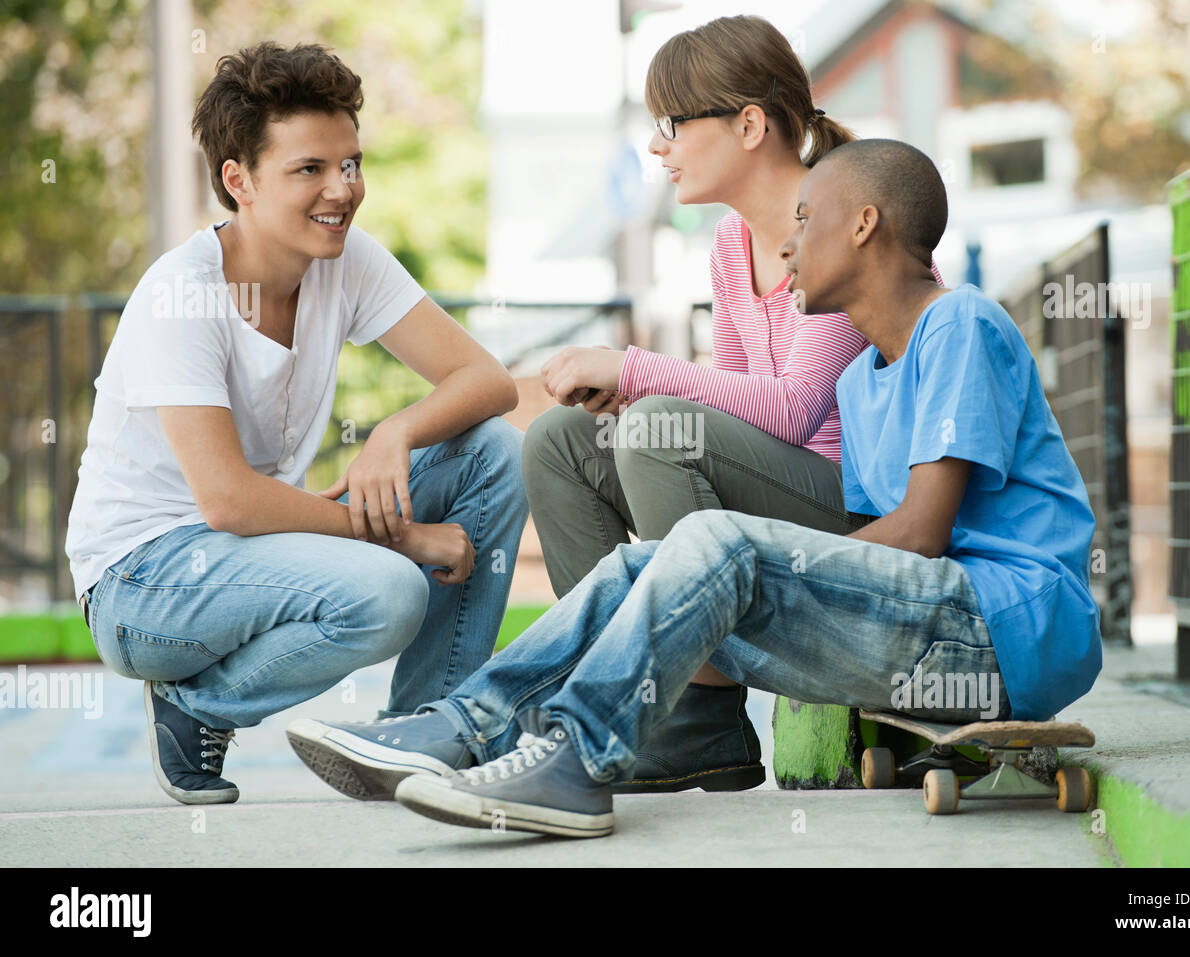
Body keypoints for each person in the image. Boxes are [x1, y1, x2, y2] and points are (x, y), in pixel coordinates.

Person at [286, 138, 1102, 838]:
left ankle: (577, 761)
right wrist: (723, 581)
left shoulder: (958, 324)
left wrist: (757, 566)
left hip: (1007, 628)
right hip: (930, 624)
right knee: (648, 567)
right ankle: (459, 727)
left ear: (866, 224)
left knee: (714, 548)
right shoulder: (864, 381)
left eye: (807, 221)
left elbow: (921, 532)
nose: (788, 245)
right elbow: (874, 549)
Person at [64, 42, 528, 807]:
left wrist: (396, 432)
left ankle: (425, 730)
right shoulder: (181, 293)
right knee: (387, 591)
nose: (342, 190)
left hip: (243, 550)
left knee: (492, 455)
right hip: (141, 581)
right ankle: (193, 706)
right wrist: (400, 536)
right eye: (309, 169)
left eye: (350, 164)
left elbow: (489, 381)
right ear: (238, 181)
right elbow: (228, 502)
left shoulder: (346, 260)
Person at [520, 14, 942, 794]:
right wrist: (634, 386)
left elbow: (795, 411)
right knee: (559, 443)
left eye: (672, 124)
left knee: (656, 427)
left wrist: (639, 369)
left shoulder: (844, 226)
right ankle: (670, 709)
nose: (658, 146)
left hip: (855, 520)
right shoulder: (728, 244)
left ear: (749, 124)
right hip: (780, 497)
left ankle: (700, 708)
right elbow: (738, 410)